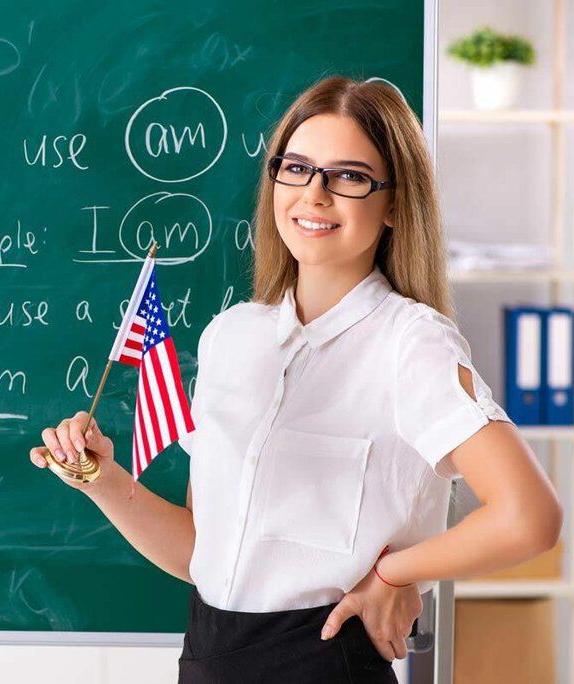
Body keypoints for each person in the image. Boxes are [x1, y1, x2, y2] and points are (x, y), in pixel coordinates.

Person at [29, 76, 563, 683]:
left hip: (324, 663)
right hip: (206, 659)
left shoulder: (410, 342)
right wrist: (101, 477)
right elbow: (202, 552)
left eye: (349, 176)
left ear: (393, 205)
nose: (315, 194)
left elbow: (529, 516)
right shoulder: (231, 337)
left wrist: (396, 573)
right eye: (297, 168)